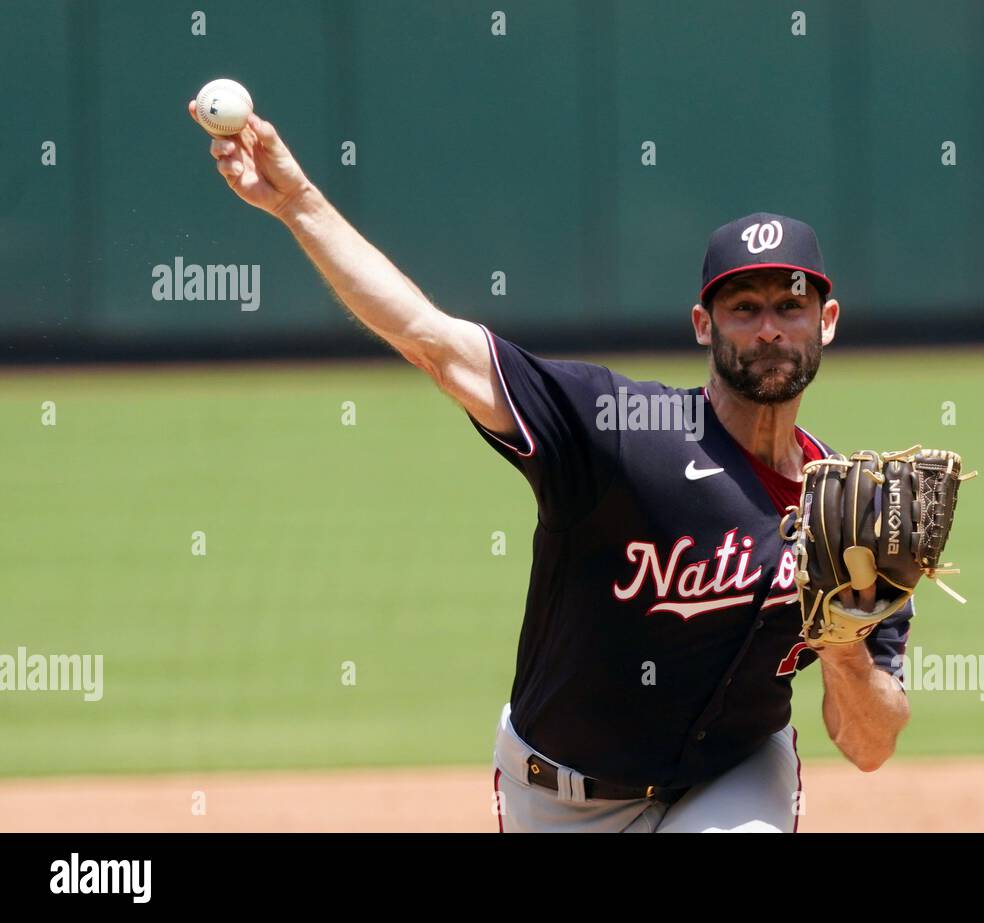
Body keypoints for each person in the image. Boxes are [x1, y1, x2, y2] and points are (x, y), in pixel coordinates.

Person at [191, 105, 913, 833]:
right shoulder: (622, 432)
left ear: (826, 321)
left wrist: (843, 642)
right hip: (562, 796)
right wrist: (297, 203)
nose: (768, 328)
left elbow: (870, 743)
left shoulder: (852, 519)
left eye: (792, 306)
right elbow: (433, 342)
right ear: (703, 325)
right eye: (744, 306)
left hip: (732, 777)